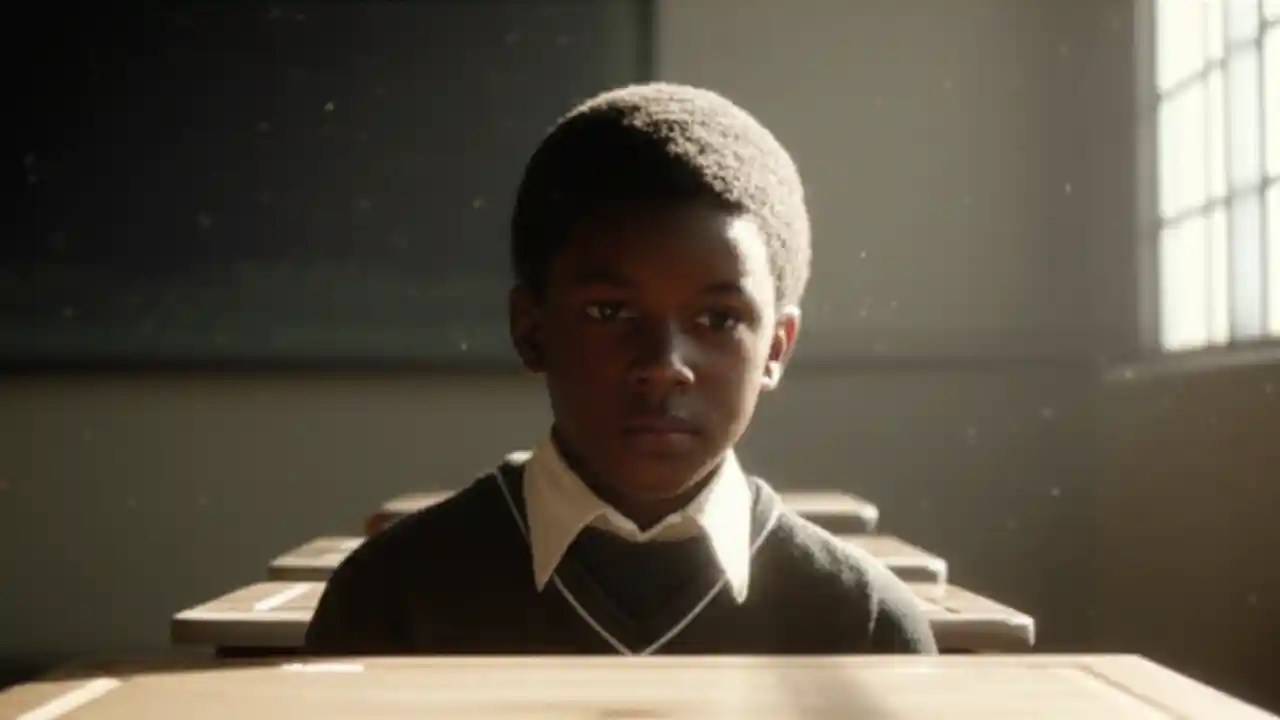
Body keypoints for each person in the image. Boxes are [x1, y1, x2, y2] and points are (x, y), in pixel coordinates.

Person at [306, 82, 937, 655]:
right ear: (531, 331)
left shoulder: (865, 625)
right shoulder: (392, 601)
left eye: (717, 320)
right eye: (610, 311)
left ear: (775, 348)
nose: (663, 366)